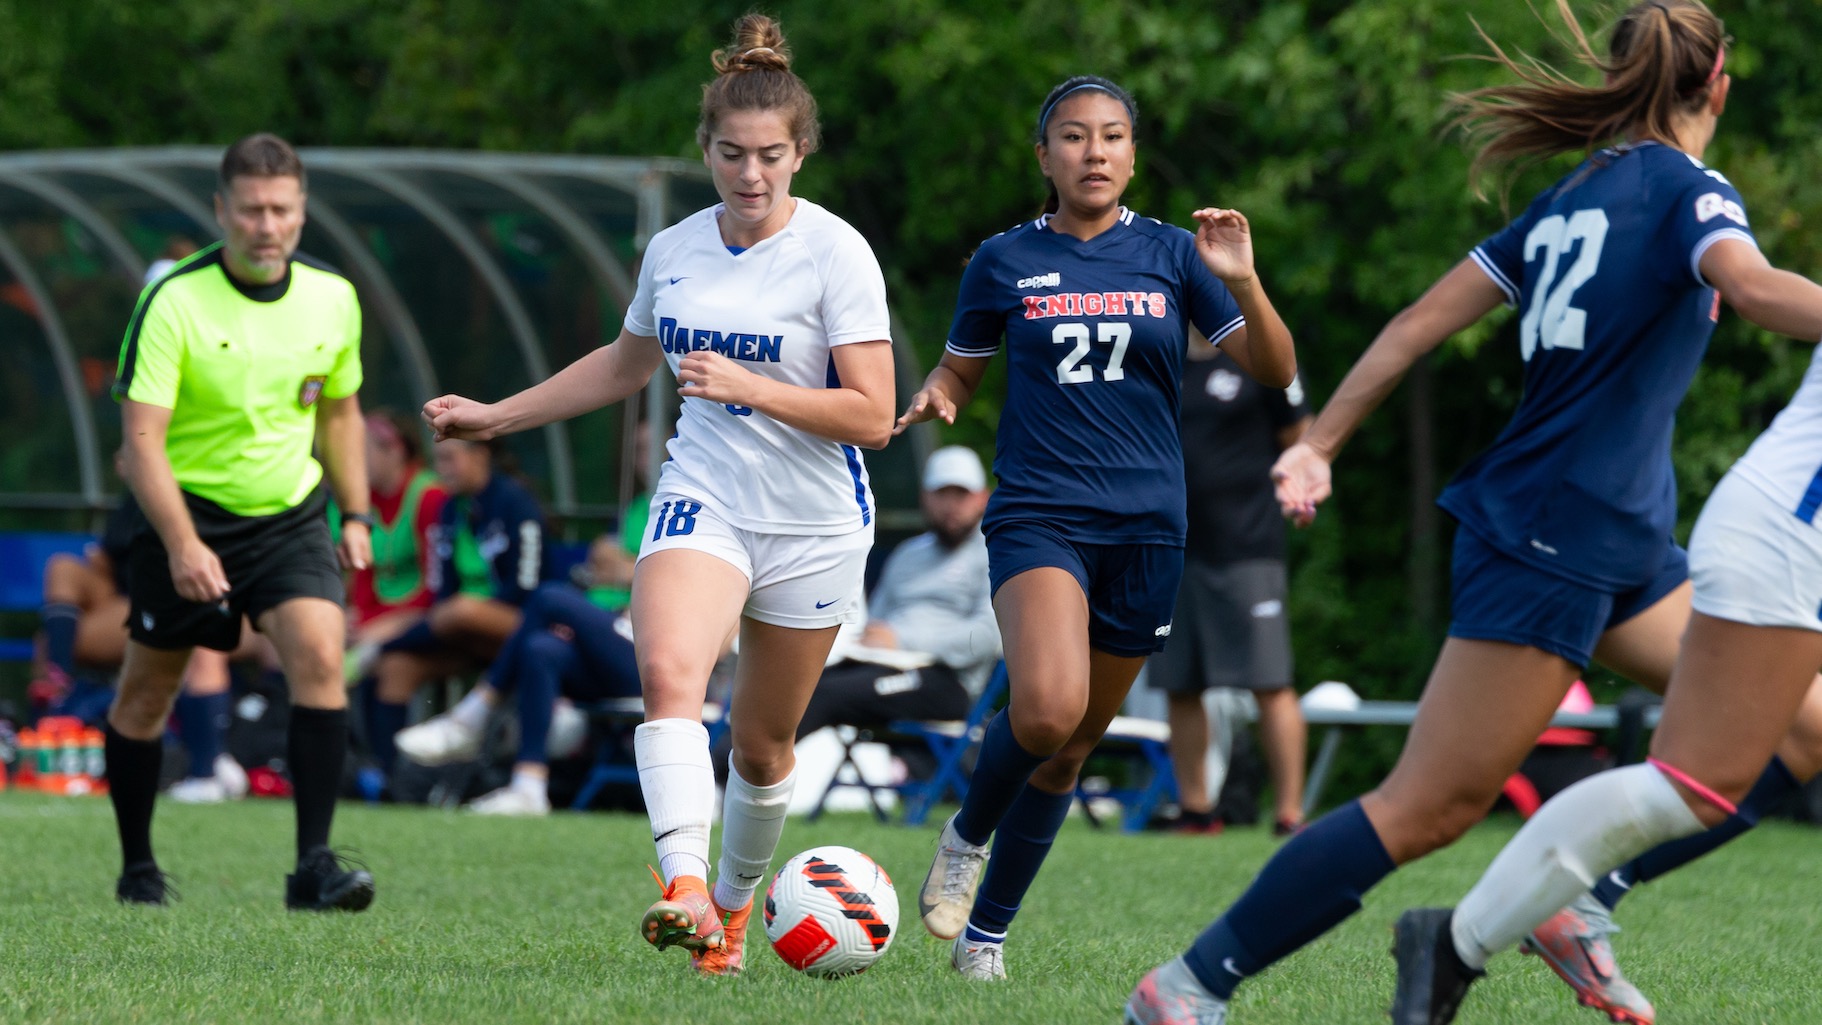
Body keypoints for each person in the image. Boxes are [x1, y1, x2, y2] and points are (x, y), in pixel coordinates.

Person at [1123, 5, 1822, 1022]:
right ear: (1717, 85)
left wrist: (1319, 440)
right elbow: (1752, 289)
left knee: (1800, 729)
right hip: (1551, 533)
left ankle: (1582, 899)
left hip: (1623, 538)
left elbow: (1412, 326)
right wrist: (1311, 443)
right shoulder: (1688, 192)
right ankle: (1186, 987)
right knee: (1427, 806)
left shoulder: (1567, 196)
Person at [421, 12, 895, 976]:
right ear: (705, 150)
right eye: (731, 154)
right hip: (704, 497)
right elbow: (625, 365)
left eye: (769, 155)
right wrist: (494, 418)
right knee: (672, 676)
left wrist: (753, 384)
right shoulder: (675, 250)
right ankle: (681, 881)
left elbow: (874, 416)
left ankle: (728, 908)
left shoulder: (836, 252)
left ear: (800, 152)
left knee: (762, 750)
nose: (750, 174)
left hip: (815, 525)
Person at [900, 75, 1297, 982]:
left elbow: (1275, 368)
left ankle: (985, 937)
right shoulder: (1001, 259)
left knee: (1073, 745)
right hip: (1041, 512)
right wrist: (937, 392)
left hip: (1151, 528)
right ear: (1044, 156)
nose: (1094, 151)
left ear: (1131, 154)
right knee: (1044, 710)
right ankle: (964, 836)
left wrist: (1244, 279)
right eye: (1073, 137)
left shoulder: (1173, 253)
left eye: (1112, 136)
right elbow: (960, 372)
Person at [107, 133, 374, 911]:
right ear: (222, 210)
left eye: (282, 210)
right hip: (182, 511)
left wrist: (355, 512)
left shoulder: (334, 296)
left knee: (321, 654)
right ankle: (138, 868)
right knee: (147, 692)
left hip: (289, 512)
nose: (267, 225)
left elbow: (343, 410)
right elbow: (141, 440)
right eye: (251, 210)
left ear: (302, 212)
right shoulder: (175, 300)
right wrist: (183, 541)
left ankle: (313, 868)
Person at [1150, 331, 1311, 835]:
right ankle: (1196, 809)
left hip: (1247, 549)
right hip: (1171, 548)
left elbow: (1298, 440)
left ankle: (1289, 813)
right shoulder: (1161, 357)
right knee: (1180, 685)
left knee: (1271, 682)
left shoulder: (1258, 357)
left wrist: (1300, 489)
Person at [364, 435, 550, 776]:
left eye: (450, 458)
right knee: (396, 666)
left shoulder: (515, 502)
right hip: (463, 630)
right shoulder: (452, 509)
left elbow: (527, 588)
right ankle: (388, 778)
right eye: (438, 459)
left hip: (518, 623)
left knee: (464, 609)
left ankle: (375, 649)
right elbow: (442, 589)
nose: (441, 469)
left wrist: (460, 615)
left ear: (480, 455)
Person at [793, 445, 999, 740]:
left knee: (826, 694)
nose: (951, 505)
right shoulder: (907, 555)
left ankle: (730, 770)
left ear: (983, 498)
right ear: (924, 497)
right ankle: (739, 769)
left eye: (961, 494)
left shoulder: (994, 555)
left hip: (949, 682)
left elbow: (987, 638)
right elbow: (875, 626)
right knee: (796, 685)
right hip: (884, 667)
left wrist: (901, 640)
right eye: (942, 494)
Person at [391, 578, 643, 816]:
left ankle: (471, 716)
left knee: (550, 596)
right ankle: (528, 787)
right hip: (621, 634)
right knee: (540, 648)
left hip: (654, 655)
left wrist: (625, 570)